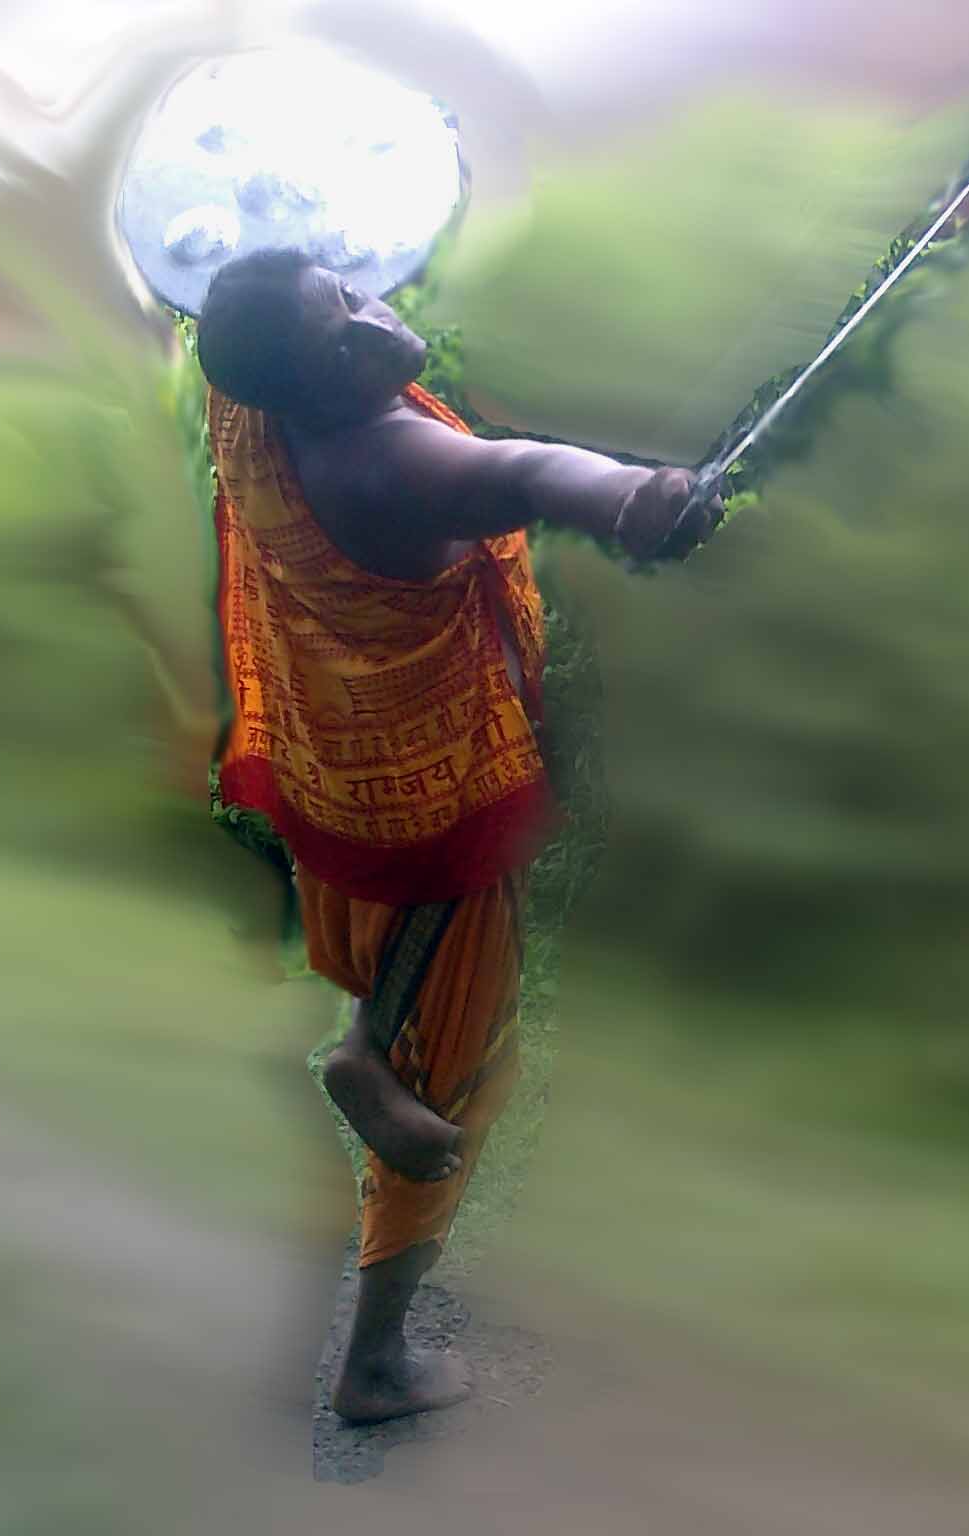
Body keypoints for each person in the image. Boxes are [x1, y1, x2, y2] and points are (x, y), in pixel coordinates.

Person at [195, 247, 719, 1425]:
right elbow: (523, 471)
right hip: (435, 807)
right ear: (323, 365)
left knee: (404, 975)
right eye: (347, 309)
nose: (377, 304)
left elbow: (250, 315)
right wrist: (629, 498)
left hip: (338, 777)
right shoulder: (390, 456)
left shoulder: (250, 407)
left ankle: (364, 1039)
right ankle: (375, 1362)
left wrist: (328, 328)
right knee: (461, 1074)